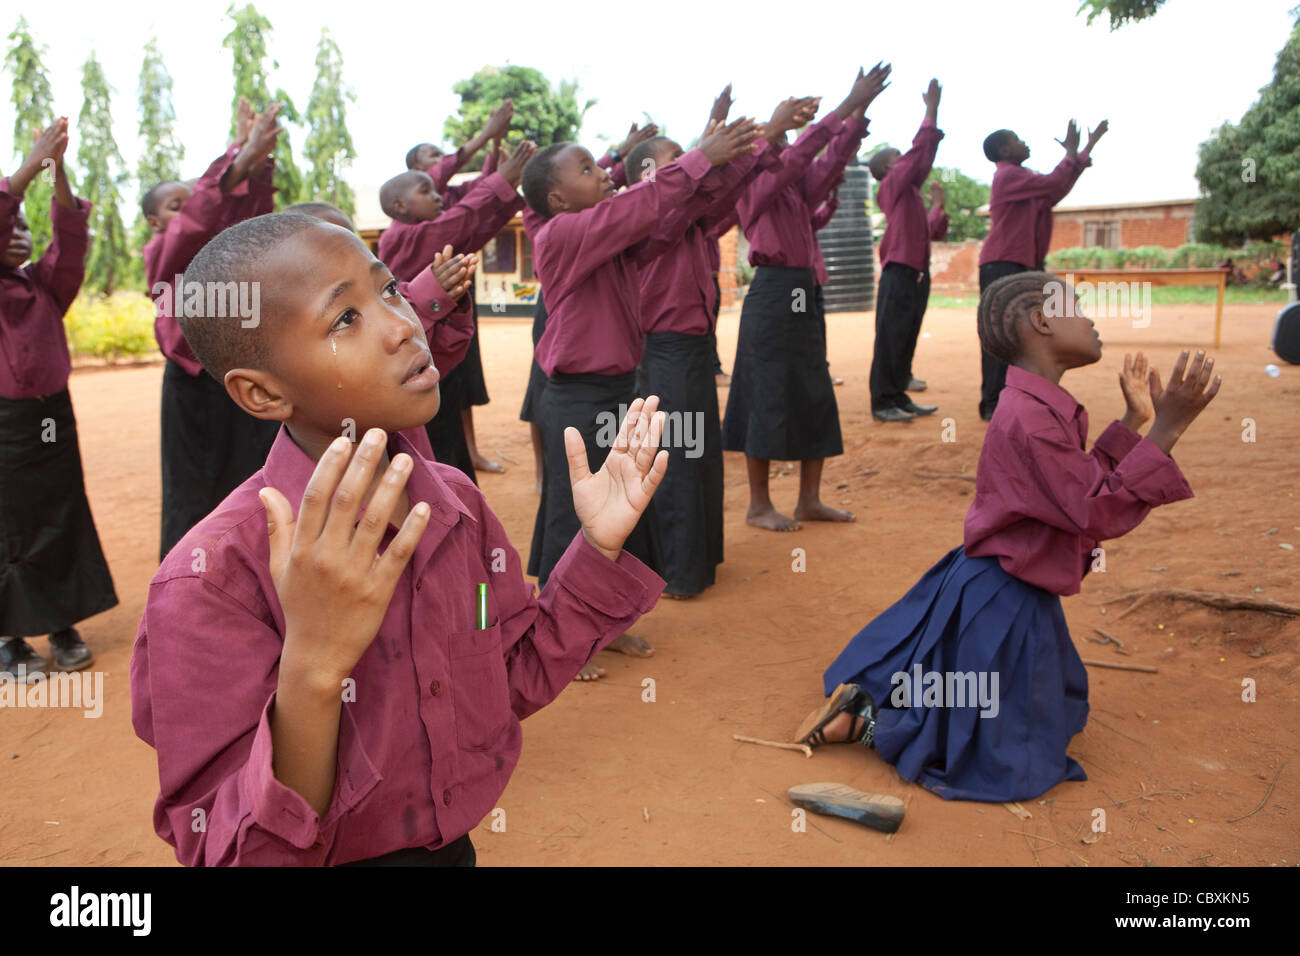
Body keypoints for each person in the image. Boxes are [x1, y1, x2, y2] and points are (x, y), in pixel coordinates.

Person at [130, 212, 671, 865]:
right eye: (343, 321)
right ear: (263, 393)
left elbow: (510, 677)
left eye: (388, 291)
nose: (403, 325)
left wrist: (597, 548)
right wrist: (315, 668)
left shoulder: (456, 507)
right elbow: (231, 848)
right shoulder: (211, 578)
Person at [795, 271, 1220, 802]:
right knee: (1007, 762)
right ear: (1042, 322)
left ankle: (871, 706)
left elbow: (1075, 485)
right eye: (1075, 308)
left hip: (996, 583)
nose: (1089, 318)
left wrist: (1134, 421)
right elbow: (1091, 509)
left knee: (1032, 703)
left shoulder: (1035, 406)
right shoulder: (1030, 417)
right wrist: (1167, 429)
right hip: (1005, 596)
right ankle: (872, 726)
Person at [520, 117, 760, 677]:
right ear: (557, 199)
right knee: (571, 518)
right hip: (576, 399)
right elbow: (638, 207)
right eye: (587, 169)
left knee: (622, 513)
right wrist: (698, 156)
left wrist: (728, 161)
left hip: (617, 392)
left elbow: (668, 217)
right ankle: (560, 640)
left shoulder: (606, 240)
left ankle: (606, 624)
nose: (603, 173)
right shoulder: (562, 236)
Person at [626, 91, 786, 598]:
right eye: (676, 162)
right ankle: (674, 569)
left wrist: (762, 140)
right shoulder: (648, 215)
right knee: (675, 456)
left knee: (700, 455)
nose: (690, 170)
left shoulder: (691, 218)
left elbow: (721, 184)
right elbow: (698, 184)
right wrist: (754, 138)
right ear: (649, 174)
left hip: (692, 353)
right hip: (665, 353)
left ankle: (697, 558)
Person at [722, 65, 889, 532]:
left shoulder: (794, 188)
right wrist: (843, 105)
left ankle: (808, 500)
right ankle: (758, 505)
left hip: (803, 292)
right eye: (775, 142)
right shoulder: (752, 182)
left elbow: (829, 162)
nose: (785, 148)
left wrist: (858, 111)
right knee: (766, 395)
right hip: (774, 293)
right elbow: (799, 157)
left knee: (813, 390)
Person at [0, 118, 117, 679]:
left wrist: (57, 170)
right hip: (2, 423)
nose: (18, 233)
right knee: (8, 524)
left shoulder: (42, 286)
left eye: (24, 226)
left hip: (49, 421)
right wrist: (26, 168)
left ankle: (62, 622)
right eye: (8, 225)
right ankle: (9, 637)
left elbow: (70, 239)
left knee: (59, 513)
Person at [146, 99, 283, 561]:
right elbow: (197, 223)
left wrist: (252, 162)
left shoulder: (227, 253)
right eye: (173, 206)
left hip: (247, 378)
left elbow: (248, 223)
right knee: (194, 495)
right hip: (195, 390)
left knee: (256, 483)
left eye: (190, 202)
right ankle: (189, 587)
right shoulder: (162, 256)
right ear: (154, 222)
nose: (185, 213)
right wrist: (239, 157)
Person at [377, 141, 535, 483]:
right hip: (418, 358)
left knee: (449, 441)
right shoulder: (401, 237)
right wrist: (500, 181)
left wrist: (505, 186)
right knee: (436, 453)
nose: (437, 197)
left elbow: (473, 228)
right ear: (400, 206)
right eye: (426, 190)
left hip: (437, 354)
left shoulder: (427, 232)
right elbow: (459, 222)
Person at [977, 119, 1107, 420]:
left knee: (1027, 334)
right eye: (1017, 139)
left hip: (1021, 263)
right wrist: (1073, 153)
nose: (1025, 142)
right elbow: (1052, 183)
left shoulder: (1025, 181)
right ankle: (993, 403)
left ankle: (1016, 397)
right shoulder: (1009, 177)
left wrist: (1085, 149)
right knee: (1003, 333)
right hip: (1004, 263)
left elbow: (1056, 189)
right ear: (1003, 150)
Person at [867, 79, 946, 422]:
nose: (906, 160)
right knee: (891, 338)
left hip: (915, 273)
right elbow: (919, 156)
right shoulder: (892, 186)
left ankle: (898, 395)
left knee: (906, 335)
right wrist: (930, 112)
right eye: (898, 157)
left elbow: (930, 232)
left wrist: (939, 206)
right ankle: (883, 401)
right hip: (899, 272)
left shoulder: (910, 193)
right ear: (887, 169)